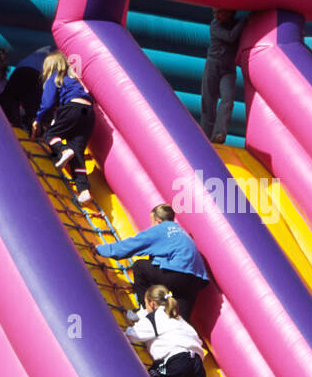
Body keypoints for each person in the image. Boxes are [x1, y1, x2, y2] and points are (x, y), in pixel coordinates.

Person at [95, 204, 208, 320]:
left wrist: (99, 249)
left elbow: (129, 246)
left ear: (158, 221)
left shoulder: (160, 229)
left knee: (140, 266)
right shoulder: (181, 232)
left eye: (152, 222)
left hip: (176, 275)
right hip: (196, 281)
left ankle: (145, 310)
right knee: (180, 320)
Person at [125, 285, 206, 377]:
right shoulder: (178, 318)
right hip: (197, 366)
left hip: (177, 360)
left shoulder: (155, 317)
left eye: (146, 304)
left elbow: (132, 335)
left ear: (152, 304)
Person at [32, 51, 95, 203]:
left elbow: (47, 104)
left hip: (71, 107)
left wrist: (38, 120)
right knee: (78, 151)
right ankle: (84, 190)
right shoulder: (75, 80)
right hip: (89, 113)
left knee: (50, 134)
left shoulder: (55, 77)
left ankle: (63, 150)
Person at [200, 8, 243, 144]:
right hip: (213, 65)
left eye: (220, 13)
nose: (216, 16)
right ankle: (206, 136)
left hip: (229, 69)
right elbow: (230, 37)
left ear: (230, 12)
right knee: (209, 101)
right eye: (215, 13)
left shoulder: (235, 23)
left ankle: (219, 134)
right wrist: (244, 23)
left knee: (227, 99)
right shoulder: (214, 25)